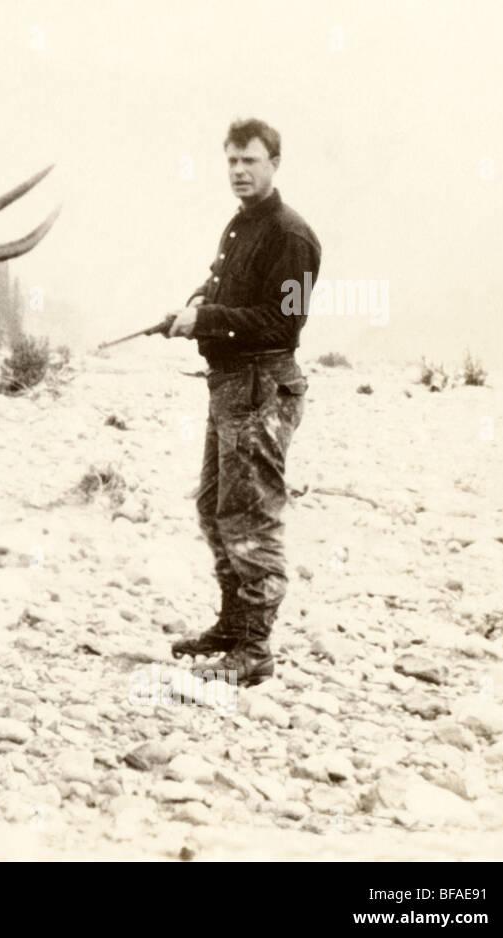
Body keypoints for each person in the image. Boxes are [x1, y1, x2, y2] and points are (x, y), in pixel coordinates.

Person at [163, 118, 321, 686]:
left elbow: (284, 323)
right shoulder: (241, 225)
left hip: (263, 386)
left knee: (251, 515)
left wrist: (205, 320)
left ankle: (254, 649)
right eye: (231, 160)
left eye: (249, 160)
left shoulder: (292, 237)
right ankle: (232, 627)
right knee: (214, 507)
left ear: (274, 162)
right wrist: (198, 300)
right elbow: (222, 281)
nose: (238, 170)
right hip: (230, 385)